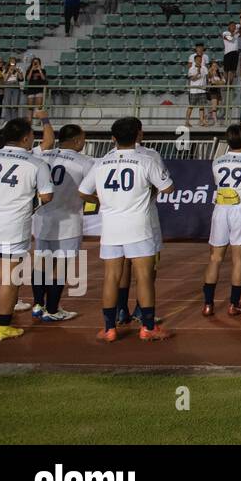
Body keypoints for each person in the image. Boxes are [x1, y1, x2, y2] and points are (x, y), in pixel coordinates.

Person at [78, 117, 175, 342]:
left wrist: (102, 200)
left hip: (111, 226)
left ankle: (109, 328)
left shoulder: (101, 162)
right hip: (138, 224)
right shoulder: (146, 160)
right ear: (138, 136)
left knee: (111, 277)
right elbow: (168, 188)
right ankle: (148, 327)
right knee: (143, 277)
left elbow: (83, 192)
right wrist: (149, 194)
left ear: (113, 138)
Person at [0, 118, 53, 341]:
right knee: (9, 277)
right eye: (32, 135)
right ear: (25, 138)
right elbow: (46, 196)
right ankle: (2, 327)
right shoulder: (36, 163)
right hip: (13, 226)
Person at [31, 117, 92, 322]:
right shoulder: (85, 162)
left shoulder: (43, 155)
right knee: (62, 266)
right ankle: (53, 309)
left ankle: (38, 305)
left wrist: (45, 120)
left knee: (41, 263)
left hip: (42, 218)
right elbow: (89, 191)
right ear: (76, 141)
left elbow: (45, 142)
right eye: (82, 138)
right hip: (68, 221)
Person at [203, 124, 241, 317]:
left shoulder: (217, 161)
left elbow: (217, 184)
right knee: (239, 261)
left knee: (215, 259)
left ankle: (208, 304)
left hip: (220, 209)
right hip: (240, 210)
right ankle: (233, 304)